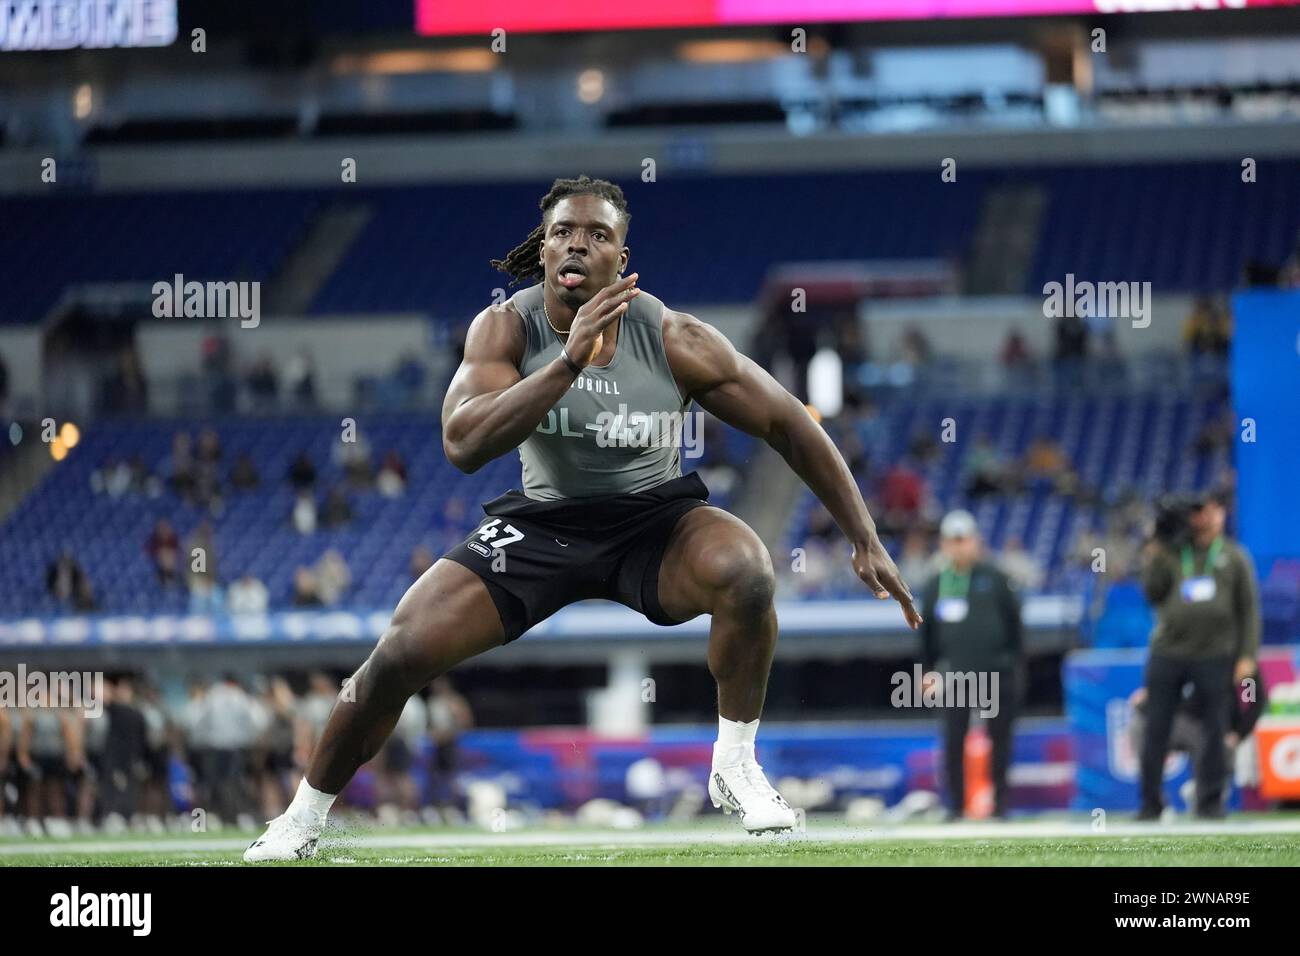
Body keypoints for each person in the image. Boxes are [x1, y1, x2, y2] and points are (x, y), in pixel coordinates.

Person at [246, 175, 920, 860]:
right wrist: (566, 364)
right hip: (541, 524)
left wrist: (864, 539)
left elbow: (788, 423)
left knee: (747, 569)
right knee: (400, 651)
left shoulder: (674, 337)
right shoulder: (505, 326)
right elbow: (463, 444)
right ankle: (301, 819)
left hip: (653, 524)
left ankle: (736, 764)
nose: (578, 243)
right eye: (565, 231)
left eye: (599, 234)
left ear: (620, 261)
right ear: (543, 250)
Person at [1136, 491, 1260, 820]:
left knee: (1215, 726)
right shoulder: (1174, 552)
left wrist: (1247, 655)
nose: (1199, 518)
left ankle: (1209, 802)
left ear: (1219, 514)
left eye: (1205, 511)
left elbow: (1248, 610)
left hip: (1215, 653)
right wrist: (1155, 549)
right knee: (1155, 725)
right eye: (1194, 512)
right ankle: (1150, 803)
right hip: (1169, 650)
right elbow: (1152, 592)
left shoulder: (1234, 556)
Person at [918, 510, 1023, 820]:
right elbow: (926, 632)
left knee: (1000, 739)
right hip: (955, 675)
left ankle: (1001, 805)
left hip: (997, 673)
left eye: (964, 540)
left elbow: (1015, 624)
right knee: (952, 739)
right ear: (944, 544)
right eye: (953, 540)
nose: (959, 547)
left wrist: (1013, 664)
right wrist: (926, 669)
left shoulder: (996, 578)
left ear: (976, 541)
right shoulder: (937, 583)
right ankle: (956, 806)